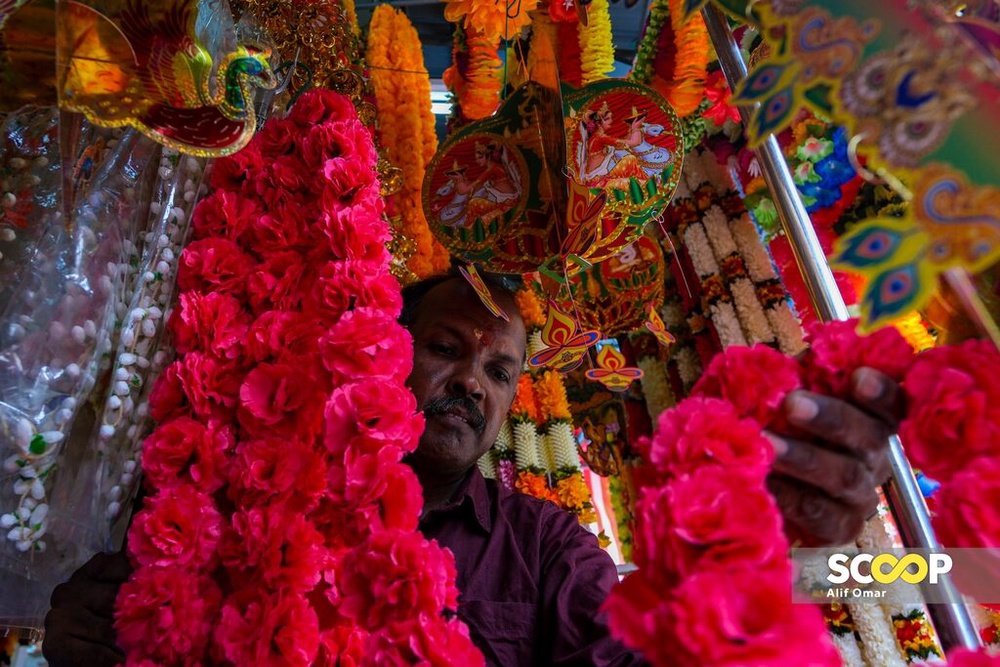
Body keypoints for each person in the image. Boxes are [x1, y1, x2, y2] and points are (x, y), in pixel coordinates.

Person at [44, 270, 902, 665]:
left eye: (498, 370)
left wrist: (749, 552)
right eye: (446, 348)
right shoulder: (260, 495)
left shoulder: (544, 547)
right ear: (382, 352)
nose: (470, 383)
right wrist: (94, 633)